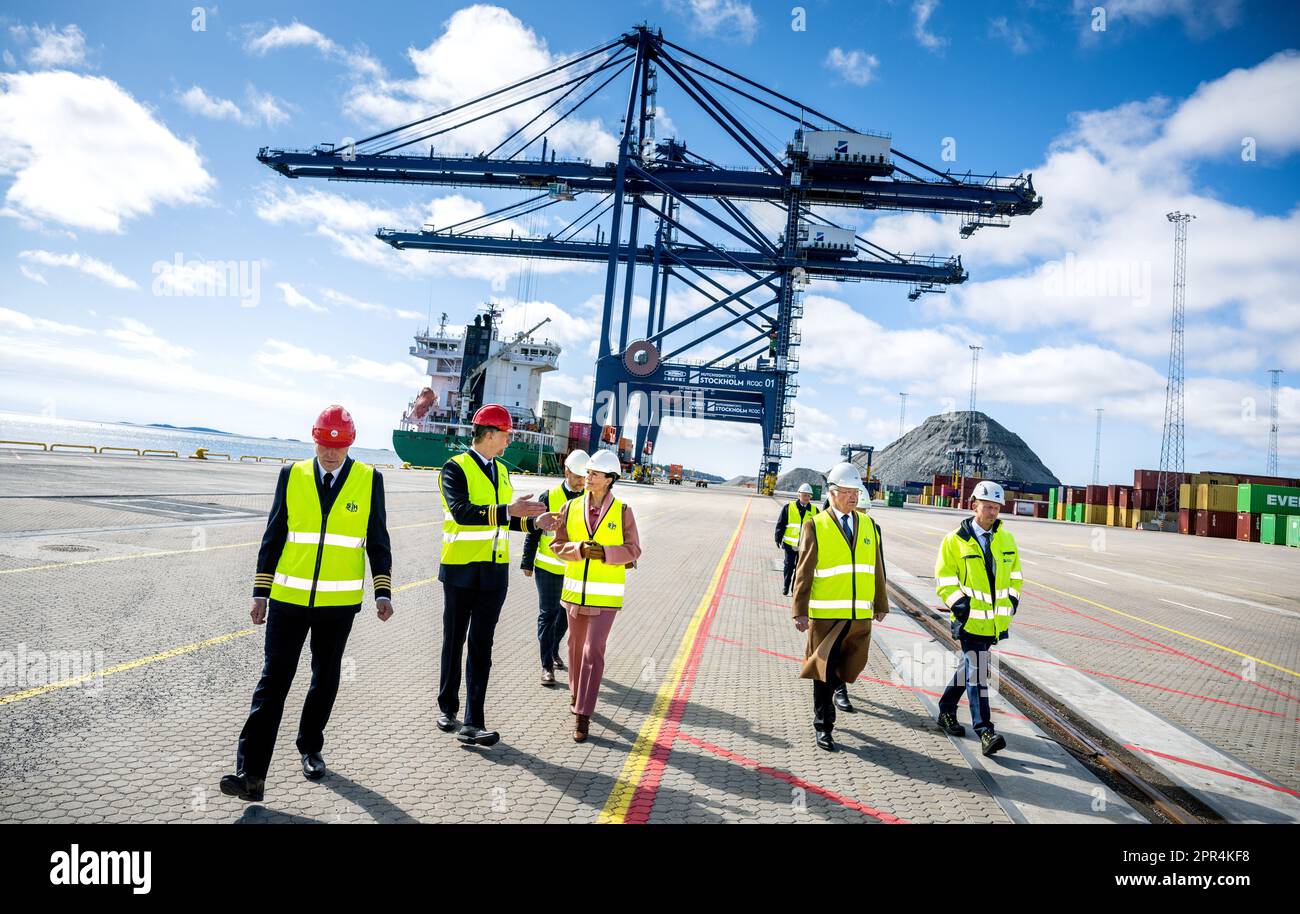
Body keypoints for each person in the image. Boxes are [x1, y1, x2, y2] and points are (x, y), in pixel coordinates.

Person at [220, 405, 394, 802]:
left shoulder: (370, 479)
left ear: (350, 444)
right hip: (288, 599)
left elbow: (378, 539)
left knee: (325, 676)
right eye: (323, 445)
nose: (330, 453)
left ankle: (310, 746)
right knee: (272, 681)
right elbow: (274, 533)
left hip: (338, 603)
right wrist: (260, 591)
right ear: (314, 439)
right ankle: (250, 774)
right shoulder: (292, 474)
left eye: (339, 446)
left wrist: (382, 590)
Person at [436, 404, 557, 747]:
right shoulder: (453, 468)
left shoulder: (501, 472)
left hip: (493, 574)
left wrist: (534, 522)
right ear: (489, 435)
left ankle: (474, 721)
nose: (508, 441)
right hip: (460, 569)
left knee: (481, 645)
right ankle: (447, 706)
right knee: (454, 639)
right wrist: (509, 510)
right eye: (506, 435)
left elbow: (503, 519)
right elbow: (462, 513)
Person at [790, 462, 888, 751]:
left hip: (858, 615)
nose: (853, 497)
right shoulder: (815, 525)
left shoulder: (869, 526)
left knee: (847, 668)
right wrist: (800, 610)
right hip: (826, 616)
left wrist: (880, 603)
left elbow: (877, 568)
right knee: (823, 670)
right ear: (832, 494)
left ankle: (836, 695)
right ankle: (824, 725)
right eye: (846, 492)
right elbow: (803, 571)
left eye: (855, 492)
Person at [549, 449, 642, 742]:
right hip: (575, 592)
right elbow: (557, 545)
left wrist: (605, 553)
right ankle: (577, 695)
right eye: (587, 473)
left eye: (594, 474)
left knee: (594, 650)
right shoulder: (571, 507)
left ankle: (583, 714)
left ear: (610, 479)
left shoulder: (623, 511)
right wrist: (577, 550)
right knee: (575, 648)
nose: (587, 477)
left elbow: (634, 550)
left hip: (605, 596)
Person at [934, 480, 1021, 757]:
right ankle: (985, 731)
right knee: (978, 673)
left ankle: (946, 709)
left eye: (996, 507)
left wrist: (1014, 599)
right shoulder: (955, 540)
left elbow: (1016, 575)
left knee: (968, 670)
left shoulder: (1006, 539)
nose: (993, 512)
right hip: (969, 620)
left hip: (994, 622)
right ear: (974, 506)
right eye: (987, 507)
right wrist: (960, 605)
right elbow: (945, 579)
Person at [521, 449, 589, 685]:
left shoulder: (588, 500)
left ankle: (553, 649)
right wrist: (527, 561)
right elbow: (533, 530)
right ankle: (546, 666)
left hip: (574, 569)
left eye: (585, 477)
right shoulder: (548, 496)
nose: (582, 482)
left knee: (565, 617)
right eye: (578, 477)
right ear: (566, 471)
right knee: (548, 614)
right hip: (547, 568)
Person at [776, 482, 819, 597]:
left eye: (808, 496)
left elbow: (818, 530)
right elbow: (781, 524)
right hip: (790, 544)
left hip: (805, 545)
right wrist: (778, 538)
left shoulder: (815, 511)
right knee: (788, 566)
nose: (806, 498)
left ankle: (795, 588)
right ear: (798, 495)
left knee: (800, 569)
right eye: (804, 495)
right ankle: (786, 586)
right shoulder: (789, 507)